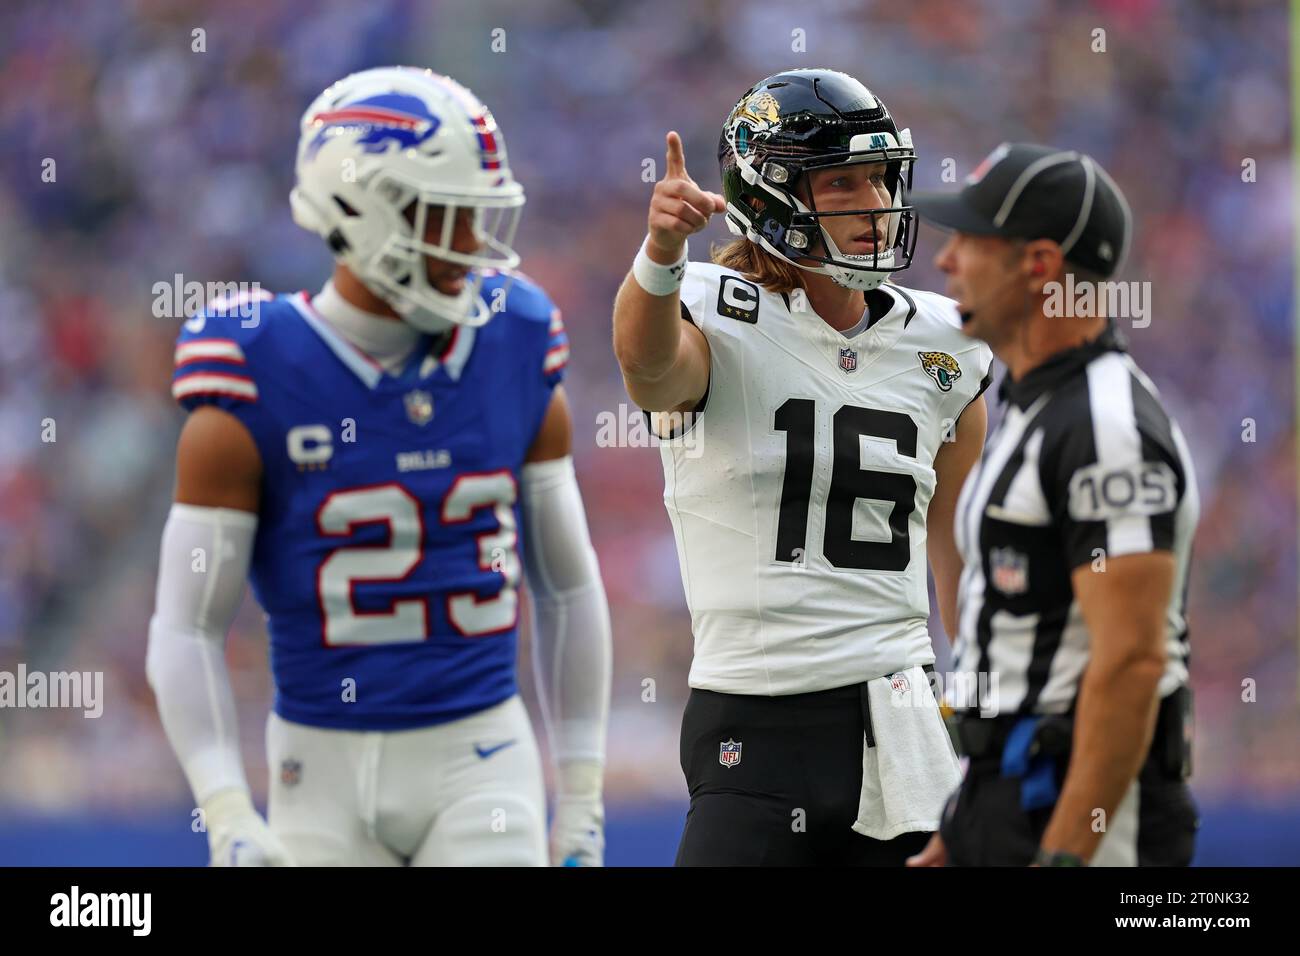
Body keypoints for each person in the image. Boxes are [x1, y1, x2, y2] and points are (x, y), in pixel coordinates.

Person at [146, 66, 611, 867]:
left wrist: (584, 798)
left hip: (482, 763)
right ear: (362, 209)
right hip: (314, 774)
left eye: (477, 216)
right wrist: (226, 811)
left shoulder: (515, 340)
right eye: (449, 217)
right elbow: (185, 626)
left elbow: (567, 585)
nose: (473, 245)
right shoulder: (256, 373)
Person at [612, 68, 993, 866]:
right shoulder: (714, 311)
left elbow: (956, 553)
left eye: (880, 175)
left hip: (905, 722)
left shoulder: (947, 346)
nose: (874, 200)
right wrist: (658, 255)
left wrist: (993, 704)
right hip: (755, 724)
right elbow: (646, 366)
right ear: (772, 195)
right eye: (842, 182)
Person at [905, 142, 1199, 867]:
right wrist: (964, 822)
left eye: (971, 241)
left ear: (1037, 264)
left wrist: (1067, 855)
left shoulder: (1105, 427)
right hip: (1006, 796)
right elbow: (1004, 641)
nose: (946, 262)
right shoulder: (1033, 406)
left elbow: (1130, 662)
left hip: (1080, 813)